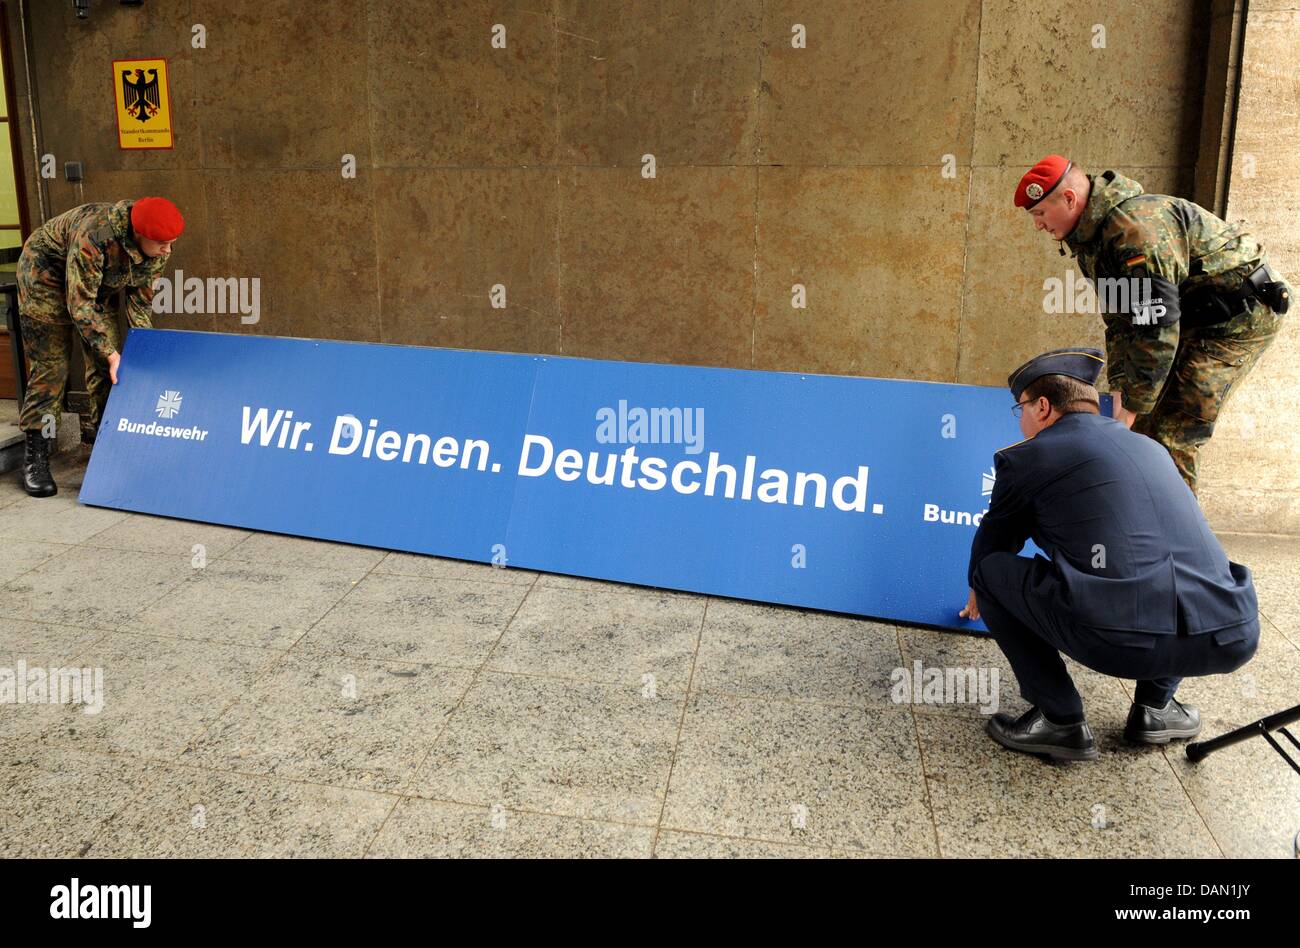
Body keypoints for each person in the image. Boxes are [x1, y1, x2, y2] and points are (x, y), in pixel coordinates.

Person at [959, 348, 1260, 761]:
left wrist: (980, 585)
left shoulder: (1027, 458)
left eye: (1021, 409)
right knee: (1171, 564)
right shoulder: (1152, 449)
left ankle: (1060, 720)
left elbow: (993, 545)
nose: (1022, 420)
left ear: (1043, 407)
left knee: (990, 571)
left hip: (1121, 643)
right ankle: (1155, 709)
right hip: (1231, 634)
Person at [1015, 155, 1289, 495]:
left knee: (1173, 432)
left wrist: (1132, 406)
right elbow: (1121, 322)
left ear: (1070, 199)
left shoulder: (1136, 231)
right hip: (1190, 316)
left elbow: (1156, 327)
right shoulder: (1092, 241)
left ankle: (1177, 544)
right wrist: (1121, 391)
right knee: (1140, 423)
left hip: (1238, 319)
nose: (1037, 225)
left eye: (1040, 213)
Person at [15, 196, 183, 496]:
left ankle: (109, 451)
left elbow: (140, 306)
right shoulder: (96, 234)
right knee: (52, 368)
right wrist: (110, 351)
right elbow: (79, 305)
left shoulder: (158, 245)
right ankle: (36, 456)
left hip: (96, 288)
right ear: (139, 234)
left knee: (112, 370)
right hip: (45, 277)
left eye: (172, 243)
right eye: (162, 243)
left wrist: (140, 356)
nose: (168, 250)